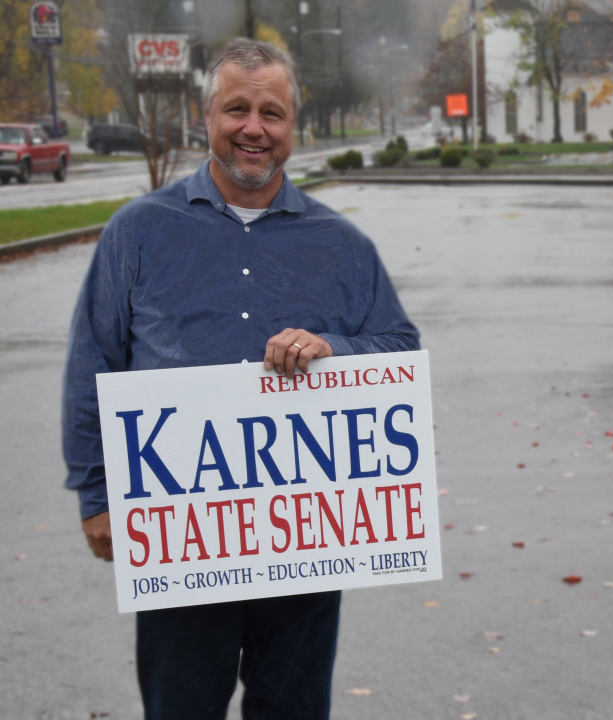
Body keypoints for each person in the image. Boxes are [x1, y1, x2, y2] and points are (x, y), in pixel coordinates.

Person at [62, 39, 419, 719]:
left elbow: (397, 348)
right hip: (181, 539)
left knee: (293, 709)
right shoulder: (137, 232)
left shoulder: (342, 245)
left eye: (272, 113)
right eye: (237, 109)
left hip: (305, 540)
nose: (255, 128)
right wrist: (96, 494)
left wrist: (334, 347)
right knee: (180, 709)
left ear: (292, 128)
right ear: (207, 118)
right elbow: (94, 363)